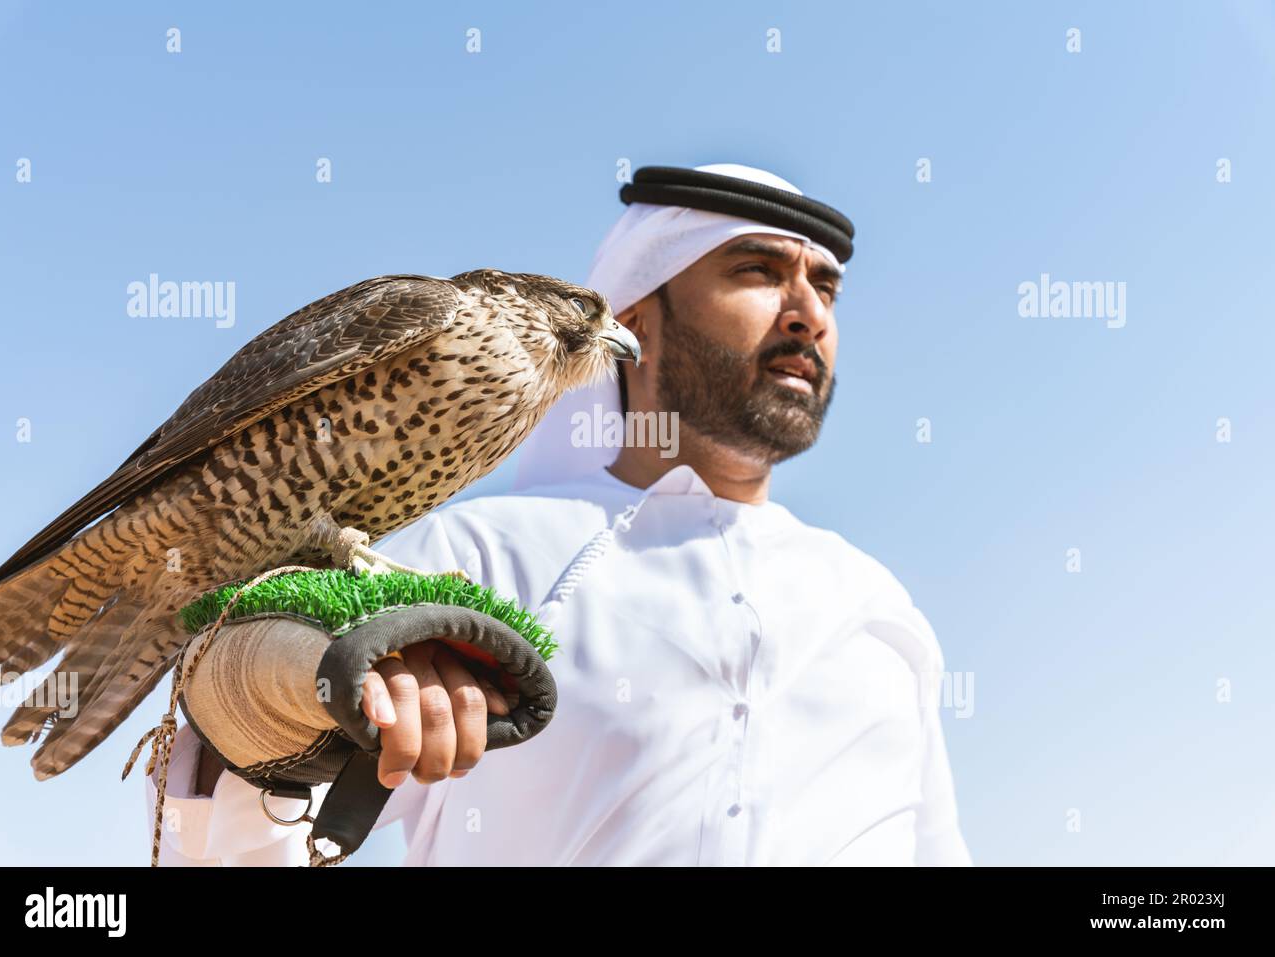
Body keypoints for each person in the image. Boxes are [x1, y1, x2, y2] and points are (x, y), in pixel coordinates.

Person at [143, 163, 973, 866]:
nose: (808, 312)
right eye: (757, 271)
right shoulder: (475, 553)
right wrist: (280, 699)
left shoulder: (879, 606)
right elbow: (229, 831)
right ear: (637, 315)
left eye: (825, 285)